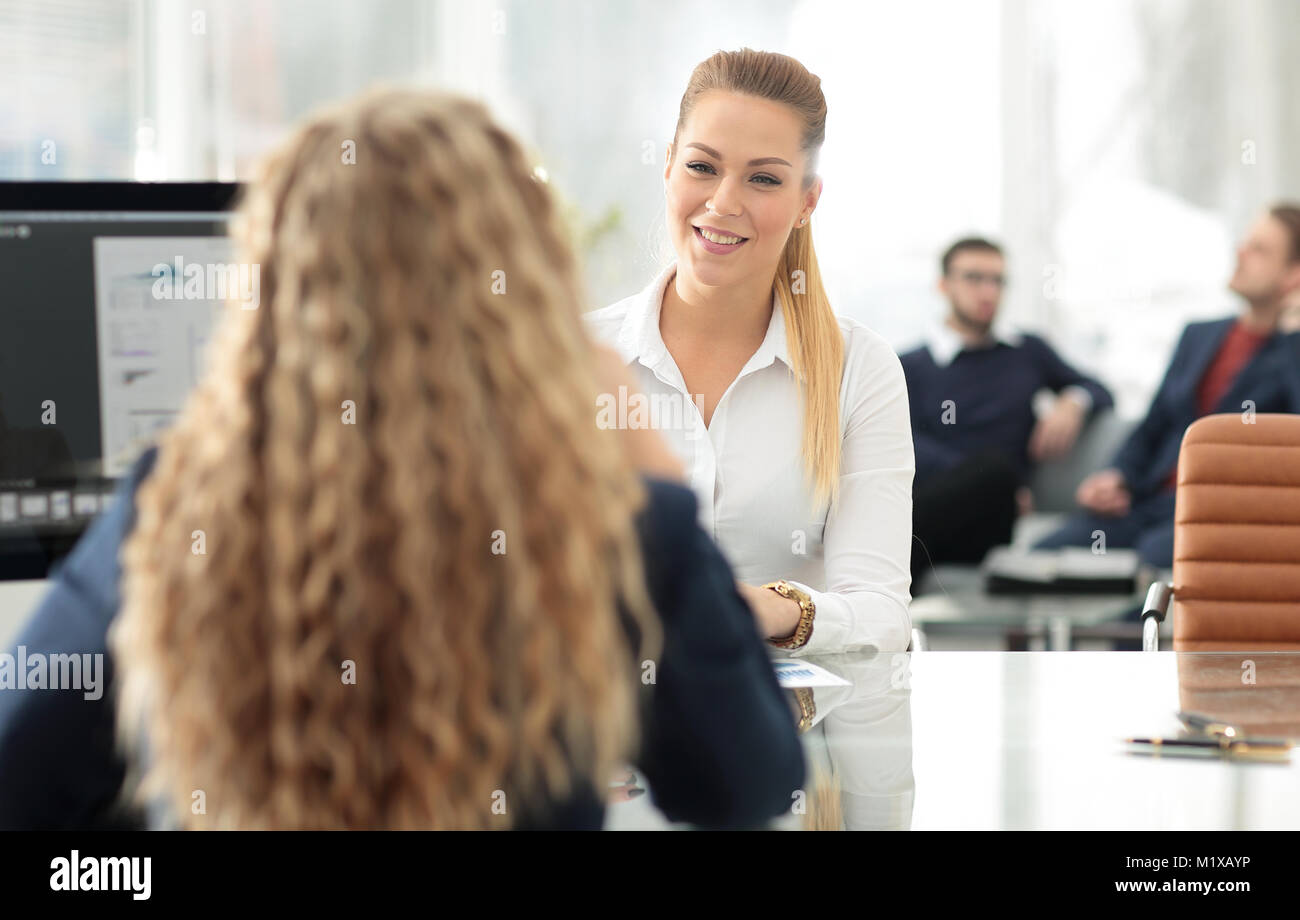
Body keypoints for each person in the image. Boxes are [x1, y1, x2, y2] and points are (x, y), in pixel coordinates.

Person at [0, 88, 805, 831]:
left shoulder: (171, 506)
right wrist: (641, 451)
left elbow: (21, 783)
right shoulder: (608, 528)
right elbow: (752, 786)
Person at [587, 48, 914, 656]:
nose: (723, 202)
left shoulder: (858, 370)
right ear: (667, 166)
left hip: (787, 733)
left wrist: (761, 608)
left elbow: (883, 612)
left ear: (807, 202)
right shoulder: (573, 359)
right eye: (702, 167)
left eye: (763, 178)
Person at [1037, 204, 1300, 567]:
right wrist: (1118, 475)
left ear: (1293, 274)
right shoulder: (1198, 335)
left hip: (1219, 518)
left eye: (1259, 249)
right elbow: (1155, 423)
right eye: (1244, 243)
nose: (1240, 253)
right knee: (1038, 561)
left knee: (1148, 575)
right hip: (1146, 505)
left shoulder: (1291, 354)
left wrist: (1293, 335)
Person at [900, 237, 1113, 579]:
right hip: (933, 504)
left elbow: (1100, 390)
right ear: (943, 285)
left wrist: (1072, 402)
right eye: (974, 278)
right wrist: (976, 480)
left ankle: (883, 579)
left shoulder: (1027, 351)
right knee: (990, 472)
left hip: (995, 517)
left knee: (997, 471)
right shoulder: (910, 365)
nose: (988, 292)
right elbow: (904, 445)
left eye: (997, 280)